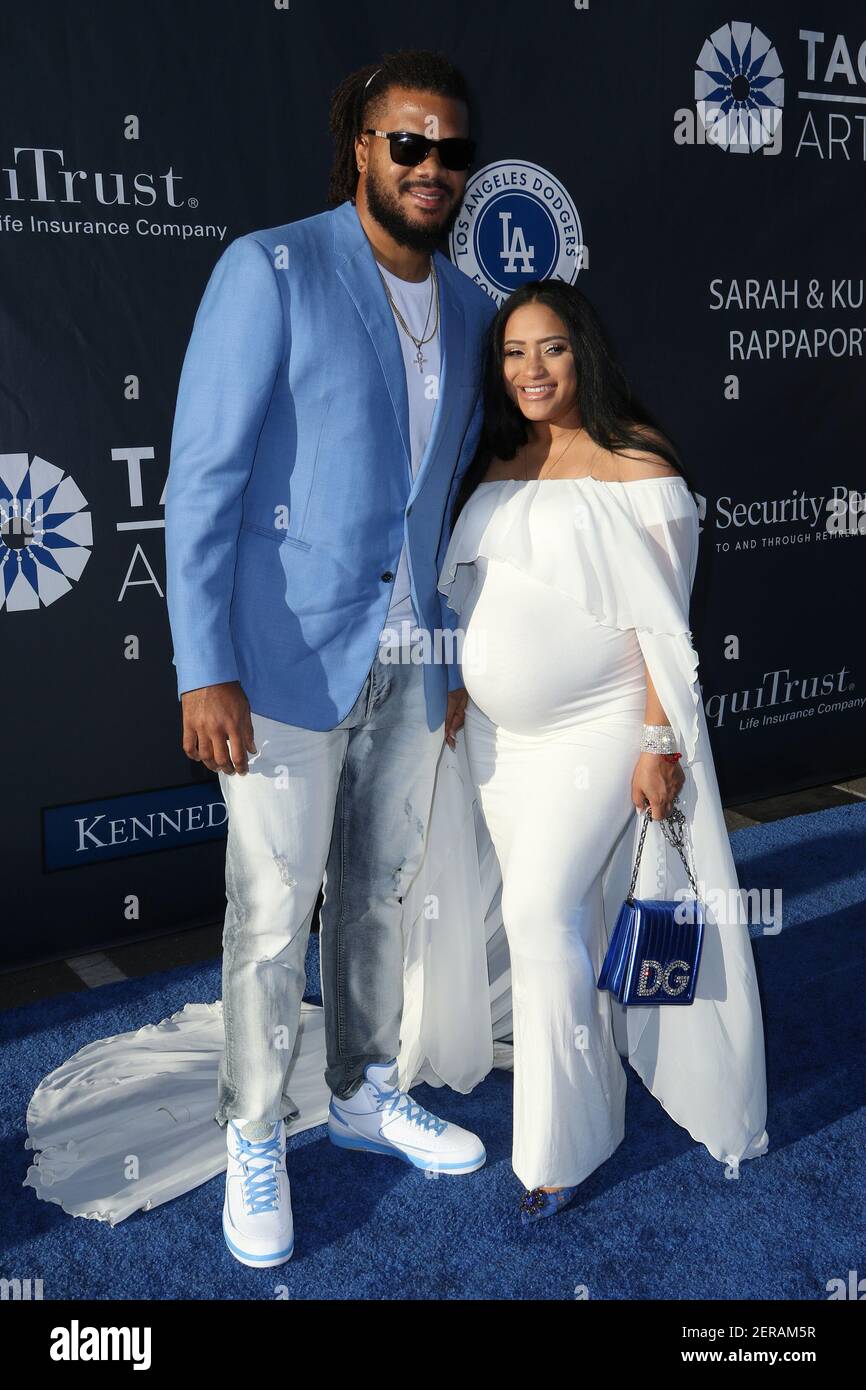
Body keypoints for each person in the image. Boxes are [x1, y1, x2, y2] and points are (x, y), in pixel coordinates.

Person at [163, 49, 497, 1267]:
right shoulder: (270, 268)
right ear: (359, 145)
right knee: (270, 910)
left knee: (376, 893)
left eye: (450, 150)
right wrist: (205, 663)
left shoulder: (468, 309)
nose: (428, 168)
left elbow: (438, 501)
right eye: (406, 144)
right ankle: (257, 1126)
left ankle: (358, 1087)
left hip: (407, 657)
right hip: (280, 661)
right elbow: (200, 481)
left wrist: (445, 659)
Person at [435, 278, 770, 1222]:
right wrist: (460, 679)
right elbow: (469, 589)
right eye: (512, 352)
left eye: (551, 349)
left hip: (601, 731)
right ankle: (586, 1058)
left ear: (585, 352)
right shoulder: (498, 458)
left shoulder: (636, 460)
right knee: (555, 924)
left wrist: (660, 740)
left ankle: (561, 1146)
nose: (531, 370)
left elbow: (668, 621)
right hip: (499, 743)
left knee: (541, 914)